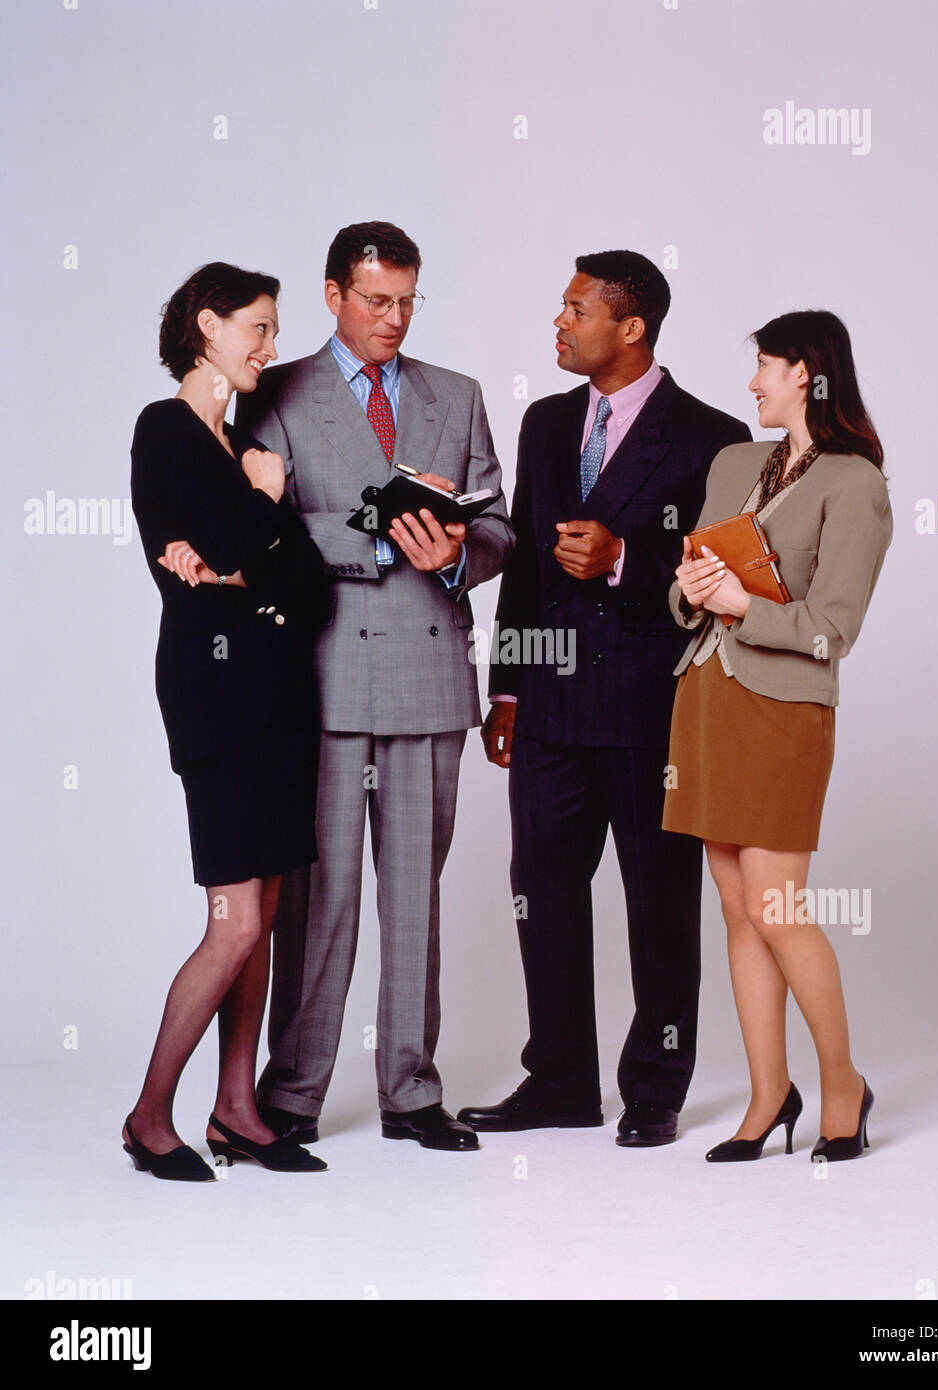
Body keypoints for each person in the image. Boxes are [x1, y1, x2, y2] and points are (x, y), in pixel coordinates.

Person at [458, 251, 750, 1146]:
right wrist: (505, 687)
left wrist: (626, 560)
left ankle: (656, 1088)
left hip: (650, 708)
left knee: (659, 898)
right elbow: (521, 574)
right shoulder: (546, 423)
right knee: (539, 887)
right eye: (562, 305)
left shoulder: (713, 434)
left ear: (631, 327)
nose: (559, 321)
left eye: (576, 309)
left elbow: (727, 571)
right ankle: (559, 1083)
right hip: (546, 706)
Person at [235, 222, 513, 1152]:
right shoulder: (276, 393)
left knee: (415, 894)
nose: (393, 319)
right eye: (375, 301)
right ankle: (295, 1090)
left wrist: (457, 553)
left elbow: (500, 529)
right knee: (321, 899)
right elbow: (260, 530)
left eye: (406, 301)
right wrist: (381, 537)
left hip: (433, 672)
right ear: (333, 296)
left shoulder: (458, 395)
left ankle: (411, 1091)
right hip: (326, 673)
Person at [663, 309, 892, 1162]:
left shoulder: (854, 481)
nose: (752, 382)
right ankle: (769, 1095)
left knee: (778, 905)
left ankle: (843, 1086)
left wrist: (741, 606)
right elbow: (688, 595)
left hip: (786, 706)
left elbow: (836, 624)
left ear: (806, 373)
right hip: (709, 697)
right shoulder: (732, 464)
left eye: (763, 366)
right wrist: (690, 587)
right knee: (735, 907)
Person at [125, 262, 329, 1180]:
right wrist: (263, 505)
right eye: (259, 326)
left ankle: (237, 1109)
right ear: (207, 326)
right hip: (217, 698)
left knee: (271, 911)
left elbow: (306, 585)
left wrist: (242, 549)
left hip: (283, 694)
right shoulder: (165, 429)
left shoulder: (246, 442)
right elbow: (242, 550)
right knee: (236, 923)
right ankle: (148, 1115)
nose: (270, 346)